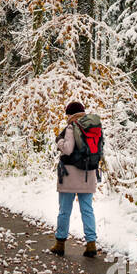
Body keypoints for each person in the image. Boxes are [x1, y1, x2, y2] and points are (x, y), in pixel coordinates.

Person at [50, 100, 101, 258]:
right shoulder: (93, 127)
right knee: (87, 210)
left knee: (64, 210)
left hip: (70, 176)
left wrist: (59, 141)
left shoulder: (72, 127)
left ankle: (60, 243)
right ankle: (91, 244)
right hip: (88, 174)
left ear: (70, 114)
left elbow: (68, 149)